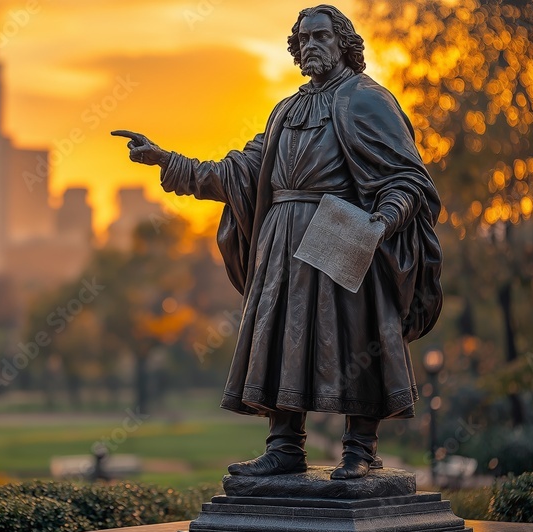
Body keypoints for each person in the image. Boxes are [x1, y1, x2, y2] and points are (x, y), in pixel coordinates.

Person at [112, 4, 442, 479]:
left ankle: (360, 449)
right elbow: (238, 173)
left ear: (343, 43)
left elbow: (406, 178)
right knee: (284, 338)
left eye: (321, 36)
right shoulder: (285, 110)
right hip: (280, 242)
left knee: (357, 337)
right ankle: (285, 446)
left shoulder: (368, 100)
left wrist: (381, 223)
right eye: (303, 39)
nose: (310, 45)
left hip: (341, 233)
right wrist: (168, 161)